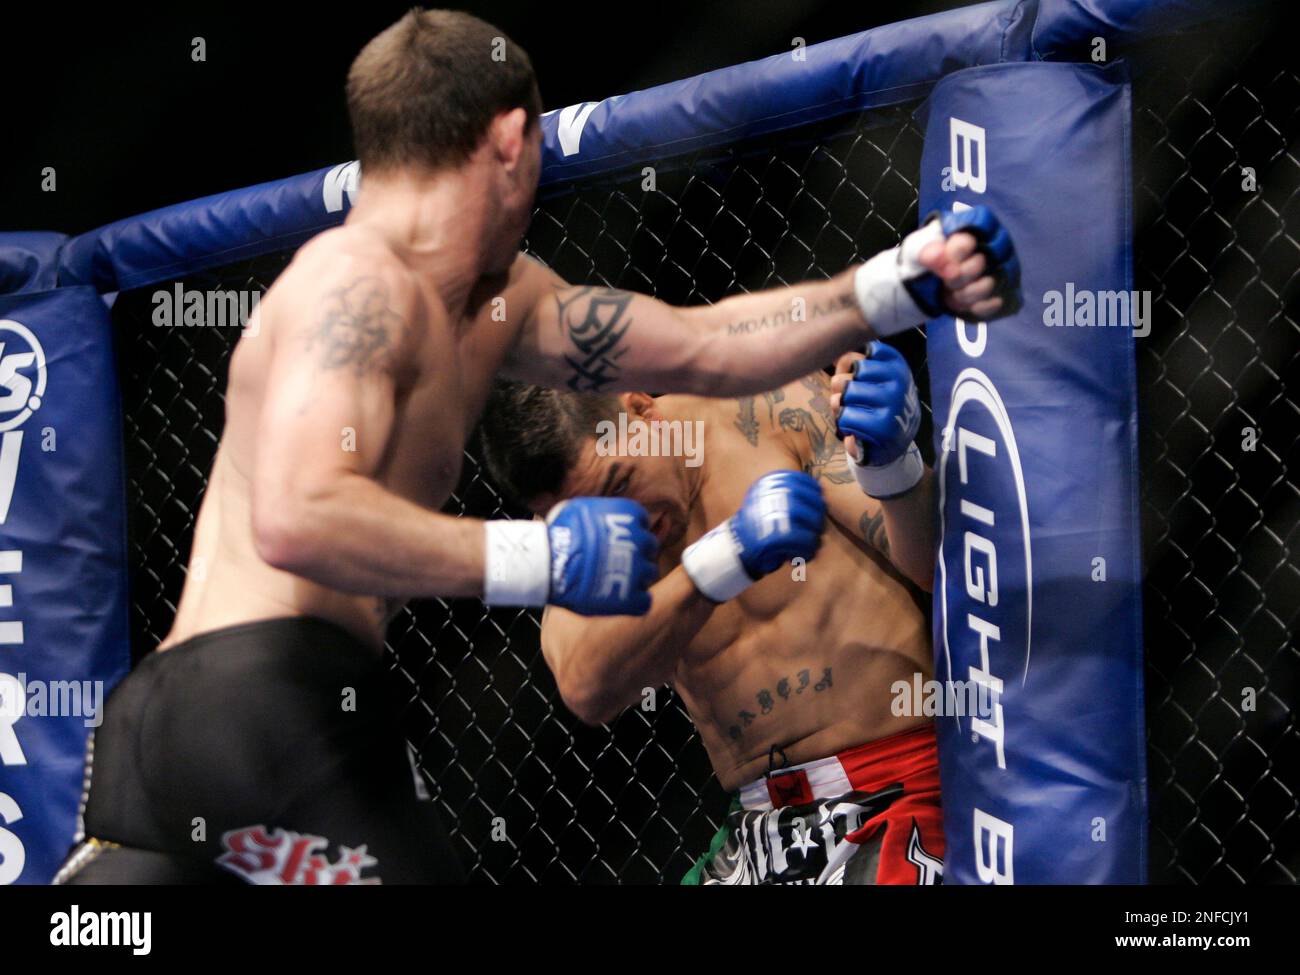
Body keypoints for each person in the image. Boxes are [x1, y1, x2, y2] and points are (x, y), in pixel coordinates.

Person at [55, 8, 1019, 884]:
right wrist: (540, 556)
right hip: (263, 702)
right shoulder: (355, 286)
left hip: (175, 727)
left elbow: (700, 342)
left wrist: (894, 282)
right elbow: (298, 514)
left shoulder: (495, 303)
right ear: (513, 140)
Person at [479, 335, 946, 885]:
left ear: (642, 411)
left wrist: (894, 472)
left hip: (896, 790)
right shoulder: (578, 534)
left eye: (623, 482)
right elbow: (587, 687)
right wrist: (727, 558)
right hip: (756, 831)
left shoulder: (768, 406)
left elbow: (937, 568)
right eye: (598, 514)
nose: (631, 520)